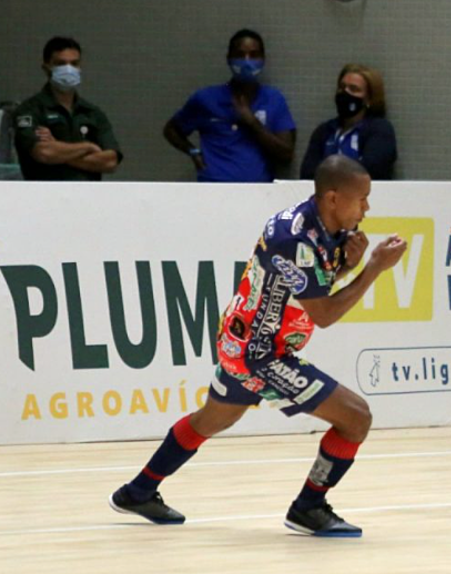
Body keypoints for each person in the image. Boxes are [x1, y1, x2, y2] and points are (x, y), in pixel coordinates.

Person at [110, 155, 407, 537]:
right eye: (361, 198)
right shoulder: (294, 240)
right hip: (259, 352)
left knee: (212, 419)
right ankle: (308, 507)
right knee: (356, 418)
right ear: (332, 197)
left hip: (244, 341)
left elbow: (312, 284)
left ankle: (137, 491)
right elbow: (325, 313)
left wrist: (348, 265)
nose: (366, 208)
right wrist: (373, 269)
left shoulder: (319, 228)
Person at [164, 29, 296, 183]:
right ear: (229, 58)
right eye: (240, 55)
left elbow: (286, 155)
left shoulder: (274, 99)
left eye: (254, 55)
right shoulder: (205, 98)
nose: (247, 61)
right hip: (212, 188)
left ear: (263, 59)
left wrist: (253, 123)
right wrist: (193, 151)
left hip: (259, 192)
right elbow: (171, 130)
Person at [13, 36, 122, 181]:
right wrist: (88, 147)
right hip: (43, 196)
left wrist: (57, 148)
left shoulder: (92, 112)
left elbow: (110, 162)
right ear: (46, 68)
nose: (68, 69)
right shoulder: (29, 110)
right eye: (60, 63)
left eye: (74, 63)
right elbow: (44, 153)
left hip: (88, 197)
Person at [300, 64, 397, 180]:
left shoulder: (380, 130)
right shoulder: (324, 131)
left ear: (369, 99)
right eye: (342, 87)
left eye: (354, 89)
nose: (345, 93)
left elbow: (371, 170)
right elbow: (307, 172)